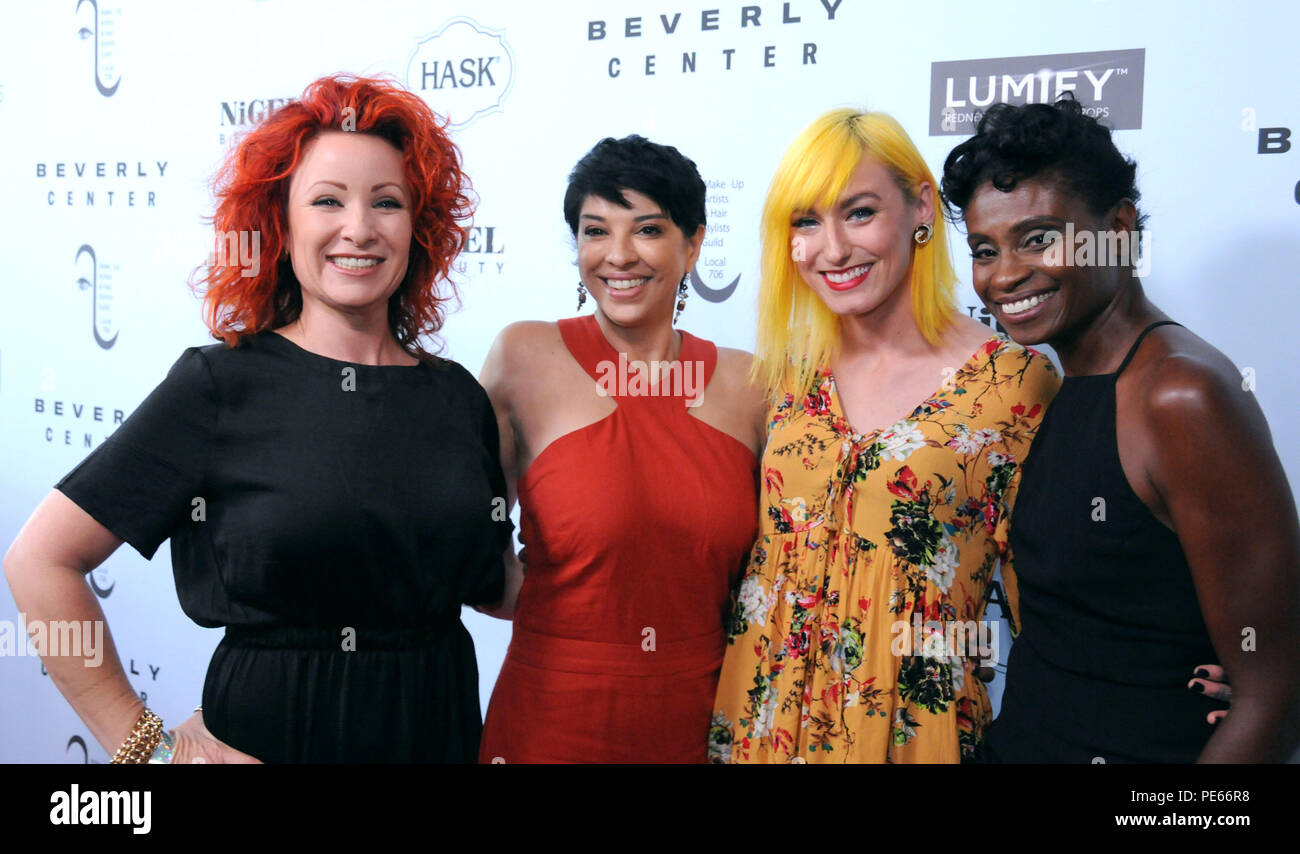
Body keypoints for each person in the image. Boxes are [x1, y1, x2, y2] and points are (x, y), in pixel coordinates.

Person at [3, 74, 509, 763]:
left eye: (386, 202)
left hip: (437, 734)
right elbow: (40, 560)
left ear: (416, 226)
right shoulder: (219, 386)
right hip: (270, 739)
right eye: (327, 201)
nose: (358, 228)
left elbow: (498, 584)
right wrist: (147, 749)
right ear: (281, 223)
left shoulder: (456, 397)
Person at [941, 98, 1300, 762]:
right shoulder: (1058, 384)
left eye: (1039, 237)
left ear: (1119, 228)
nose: (1005, 275)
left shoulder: (1180, 395)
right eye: (985, 250)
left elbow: (1269, 700)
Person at [706, 109, 1061, 764]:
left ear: (920, 207)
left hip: (914, 733)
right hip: (758, 726)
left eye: (859, 212)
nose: (832, 249)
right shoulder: (783, 378)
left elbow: (1053, 609)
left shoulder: (1014, 385)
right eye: (806, 222)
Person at [474, 135, 766, 763]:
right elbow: (470, 546)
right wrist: (571, 619)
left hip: (702, 713)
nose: (619, 256)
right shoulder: (523, 357)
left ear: (693, 244)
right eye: (595, 231)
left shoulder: (751, 385)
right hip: (550, 714)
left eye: (648, 229)